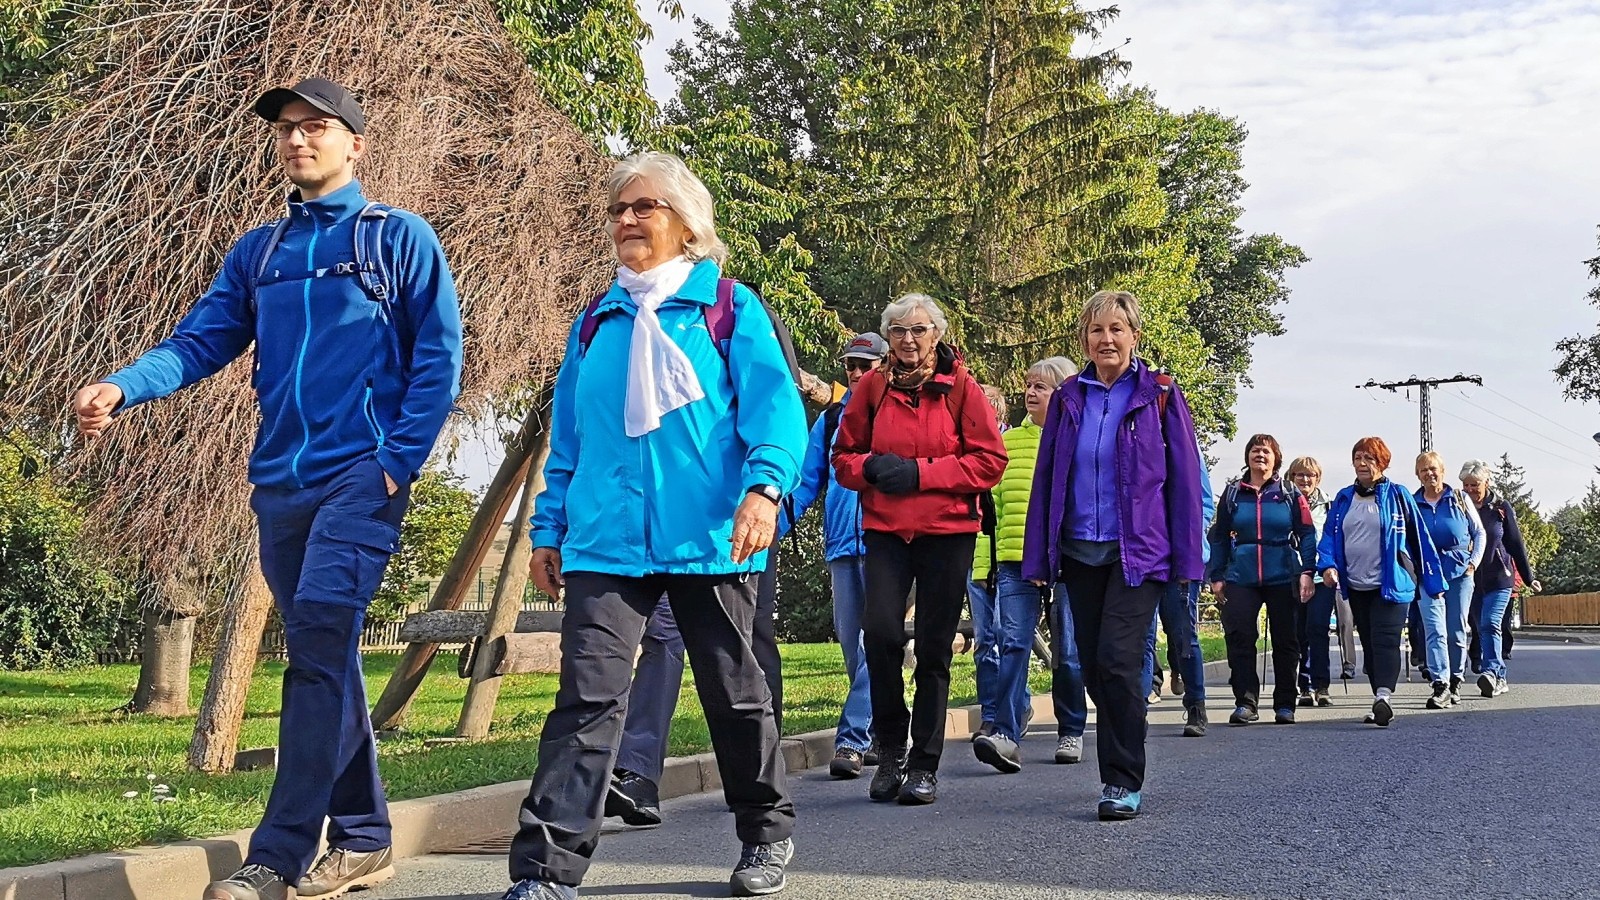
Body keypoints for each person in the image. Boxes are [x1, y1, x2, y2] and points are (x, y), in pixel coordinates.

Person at [73, 78, 463, 900]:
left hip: (363, 475)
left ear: (355, 143)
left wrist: (397, 462)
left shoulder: (398, 239)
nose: (296, 140)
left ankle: (277, 857)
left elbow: (437, 361)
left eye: (315, 127)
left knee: (319, 631)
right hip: (279, 480)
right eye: (285, 129)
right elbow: (200, 341)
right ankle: (364, 837)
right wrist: (124, 384)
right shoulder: (261, 251)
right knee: (327, 654)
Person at [507, 151, 807, 900]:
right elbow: (570, 440)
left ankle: (766, 831)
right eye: (618, 210)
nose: (628, 220)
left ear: (687, 223)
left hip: (711, 536)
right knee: (586, 698)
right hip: (606, 540)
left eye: (645, 207)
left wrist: (764, 491)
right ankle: (546, 869)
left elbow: (776, 412)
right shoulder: (595, 321)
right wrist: (548, 528)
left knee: (733, 692)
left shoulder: (729, 307)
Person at [1022, 290, 1205, 821]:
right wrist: (1039, 557)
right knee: (1096, 666)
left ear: (1135, 336)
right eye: (1097, 330)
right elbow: (1048, 479)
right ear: (1084, 339)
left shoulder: (1160, 395)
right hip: (1080, 552)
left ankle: (1121, 779)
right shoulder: (1069, 398)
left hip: (1140, 553)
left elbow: (1186, 483)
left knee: (1121, 661)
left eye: (1117, 329)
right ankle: (1127, 727)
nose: (1107, 339)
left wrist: (1188, 563)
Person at [833, 293, 1006, 806]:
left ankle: (925, 764)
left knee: (934, 647)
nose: (909, 339)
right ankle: (890, 750)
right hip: (886, 529)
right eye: (899, 330)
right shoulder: (871, 387)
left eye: (920, 330)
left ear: (937, 335)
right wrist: (869, 469)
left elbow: (989, 461)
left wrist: (921, 474)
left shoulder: (960, 389)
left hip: (947, 532)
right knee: (880, 633)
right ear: (887, 336)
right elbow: (843, 455)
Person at [780, 332, 890, 779]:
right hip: (842, 546)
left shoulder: (898, 413)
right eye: (851, 365)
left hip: (887, 545)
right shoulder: (830, 421)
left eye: (866, 364)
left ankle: (851, 740)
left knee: (872, 645)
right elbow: (806, 482)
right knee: (851, 647)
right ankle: (885, 728)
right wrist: (773, 528)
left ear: (884, 366)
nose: (858, 372)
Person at [969, 357, 1078, 772]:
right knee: (1013, 643)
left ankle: (1070, 729)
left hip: (1069, 561)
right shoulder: (1009, 442)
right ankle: (1006, 734)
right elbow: (989, 511)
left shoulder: (1077, 440)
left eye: (1041, 387)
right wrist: (985, 565)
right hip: (1014, 561)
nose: (1030, 393)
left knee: (1067, 652)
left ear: (1063, 394)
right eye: (1029, 385)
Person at [1316, 437, 1446, 728]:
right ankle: (1378, 696)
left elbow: (1420, 538)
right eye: (1358, 457)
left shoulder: (1398, 495)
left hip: (1394, 583)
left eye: (1369, 459)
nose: (1362, 464)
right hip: (1357, 584)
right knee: (1371, 646)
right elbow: (1329, 536)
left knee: (1386, 640)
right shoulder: (1343, 498)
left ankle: (1384, 697)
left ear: (1382, 463)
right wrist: (1327, 566)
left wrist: (1432, 582)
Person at [1206, 434, 1317, 726]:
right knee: (1239, 636)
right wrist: (1216, 575)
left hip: (1282, 573)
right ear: (1247, 457)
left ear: (1275, 458)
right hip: (1241, 574)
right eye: (1255, 450)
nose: (1260, 455)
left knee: (1286, 639)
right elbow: (1219, 537)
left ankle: (1285, 704)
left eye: (1266, 451)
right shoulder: (1232, 494)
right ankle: (1245, 702)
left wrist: (1307, 571)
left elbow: (1307, 534)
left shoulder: (1291, 493)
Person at [1140, 430, 1217, 737]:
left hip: (1180, 560)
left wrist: (1190, 547)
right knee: (1141, 638)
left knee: (1185, 635)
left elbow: (1205, 505)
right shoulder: (1135, 444)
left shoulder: (1186, 449)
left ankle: (1196, 706)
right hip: (1144, 556)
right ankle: (1139, 710)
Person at [1459, 459, 1540, 699]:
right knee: (1478, 626)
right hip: (1470, 580)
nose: (1470, 490)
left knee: (1491, 624)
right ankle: (1498, 675)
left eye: (1475, 484)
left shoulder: (1501, 508)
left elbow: (1515, 544)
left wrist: (1528, 577)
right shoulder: (1459, 507)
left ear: (1487, 482)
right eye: (1466, 485)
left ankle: (1492, 672)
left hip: (1499, 579)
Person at [1413, 451, 1484, 707]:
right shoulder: (1412, 503)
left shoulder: (1459, 498)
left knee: (1455, 629)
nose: (1429, 474)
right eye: (1424, 470)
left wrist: (1473, 563)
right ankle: (1439, 683)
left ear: (1442, 471)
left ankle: (1455, 679)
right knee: (1434, 630)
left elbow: (1479, 533)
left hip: (1459, 573)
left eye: (1433, 469)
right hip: (1428, 575)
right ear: (1418, 475)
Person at [1287, 456, 1356, 705]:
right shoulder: (1285, 502)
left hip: (1321, 576)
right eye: (1299, 475)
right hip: (1291, 575)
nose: (1305, 480)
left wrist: (1334, 567)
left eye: (1310, 475)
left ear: (1318, 478)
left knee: (1317, 629)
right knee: (1297, 633)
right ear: (1291, 477)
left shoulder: (1329, 505)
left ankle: (1321, 686)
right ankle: (1303, 686)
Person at [967, 385, 1011, 741]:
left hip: (1009, 558)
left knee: (1007, 636)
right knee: (984, 640)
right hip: (975, 561)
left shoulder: (1012, 449)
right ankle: (991, 713)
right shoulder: (965, 450)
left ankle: (1012, 707)